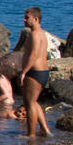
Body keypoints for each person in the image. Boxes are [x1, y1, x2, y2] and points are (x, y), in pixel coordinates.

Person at [18, 7, 52, 137]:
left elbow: (34, 54)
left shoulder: (35, 34)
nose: (24, 19)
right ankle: (44, 129)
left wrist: (24, 72)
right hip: (42, 72)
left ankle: (31, 134)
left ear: (36, 19)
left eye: (27, 17)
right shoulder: (42, 33)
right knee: (34, 101)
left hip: (35, 72)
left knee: (29, 102)